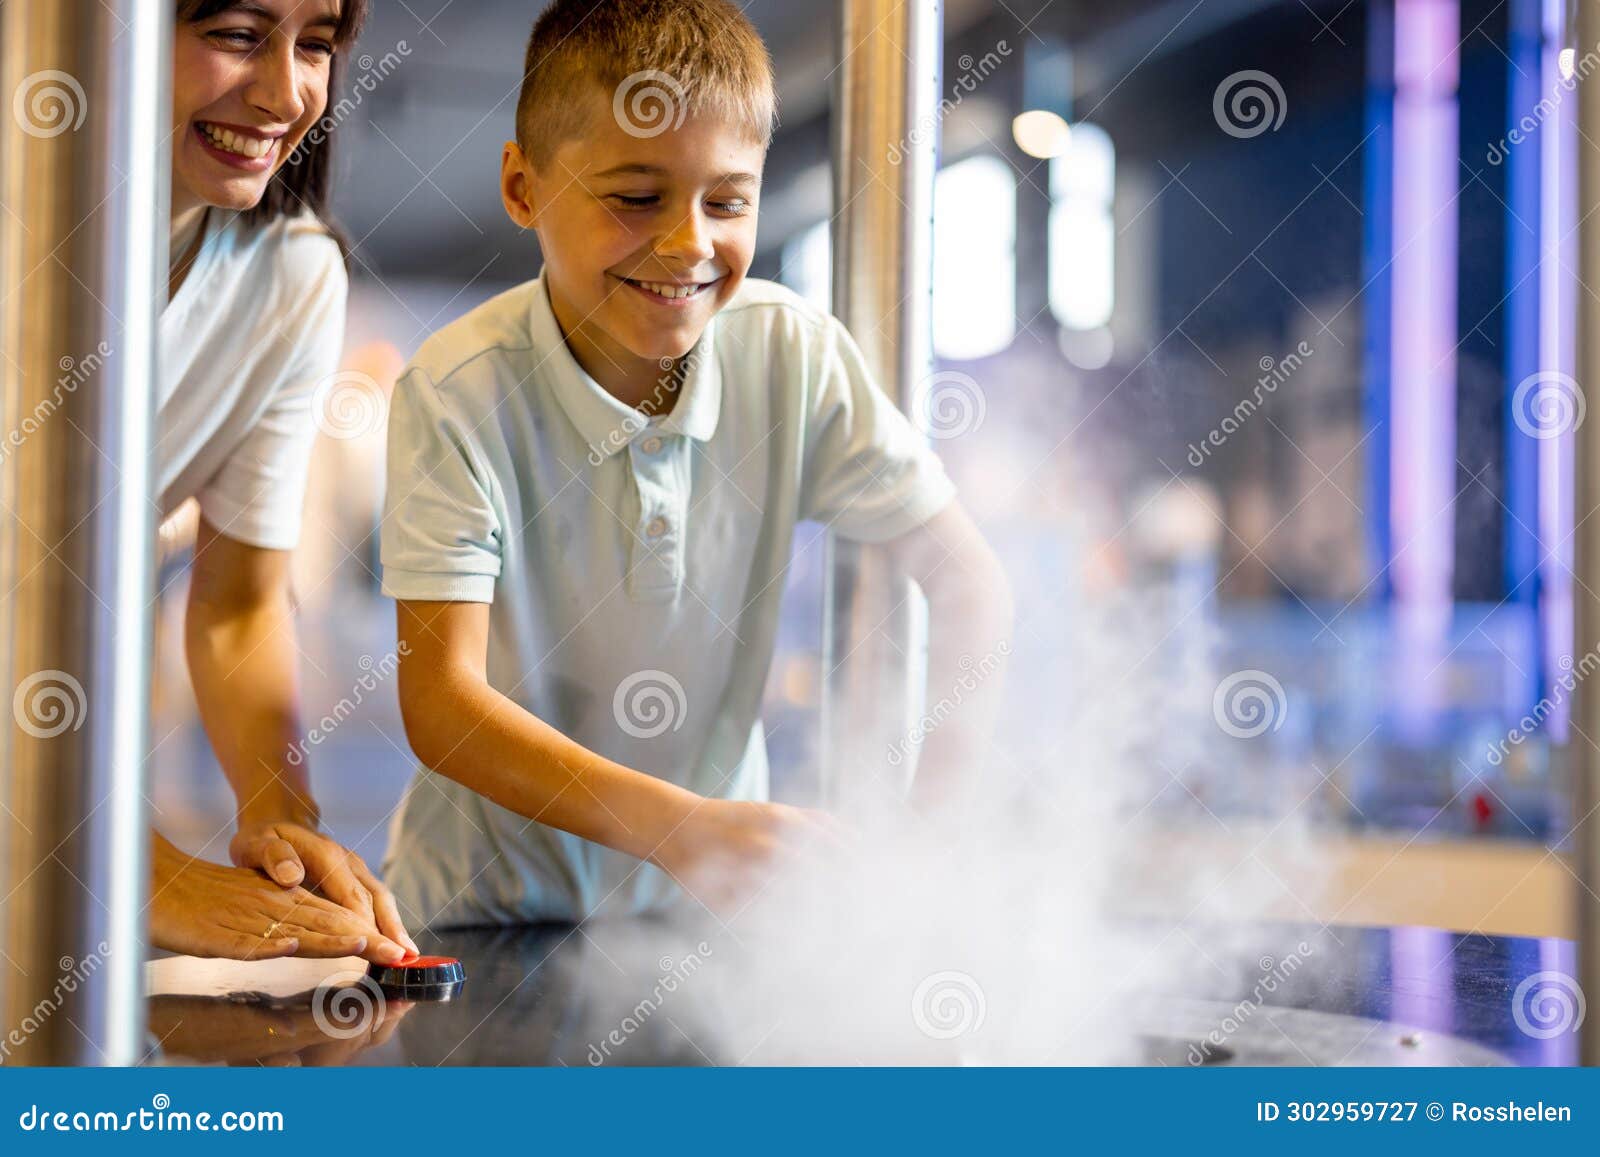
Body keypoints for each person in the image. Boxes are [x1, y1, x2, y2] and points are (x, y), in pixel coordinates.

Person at [379, 0, 1015, 928]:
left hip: (704, 921)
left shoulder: (790, 354)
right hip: (486, 912)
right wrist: (685, 832)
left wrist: (926, 842)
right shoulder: (457, 390)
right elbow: (442, 704)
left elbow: (968, 583)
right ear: (522, 188)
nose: (689, 244)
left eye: (727, 201)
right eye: (635, 197)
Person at [147, 0, 416, 962]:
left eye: (317, 44)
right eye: (233, 33)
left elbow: (236, 602)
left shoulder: (291, 276)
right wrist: (134, 871)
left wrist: (283, 823)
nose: (286, 92)